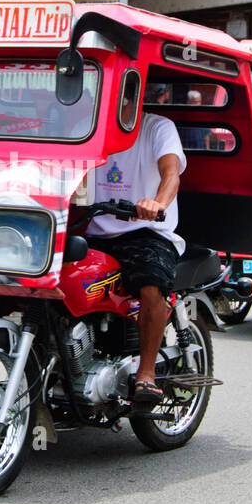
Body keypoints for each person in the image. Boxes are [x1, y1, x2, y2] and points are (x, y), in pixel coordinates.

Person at [85, 81, 186, 408]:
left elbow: (171, 172)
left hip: (145, 230)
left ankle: (146, 374)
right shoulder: (85, 127)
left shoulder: (157, 128)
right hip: (90, 229)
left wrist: (158, 203)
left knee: (151, 285)